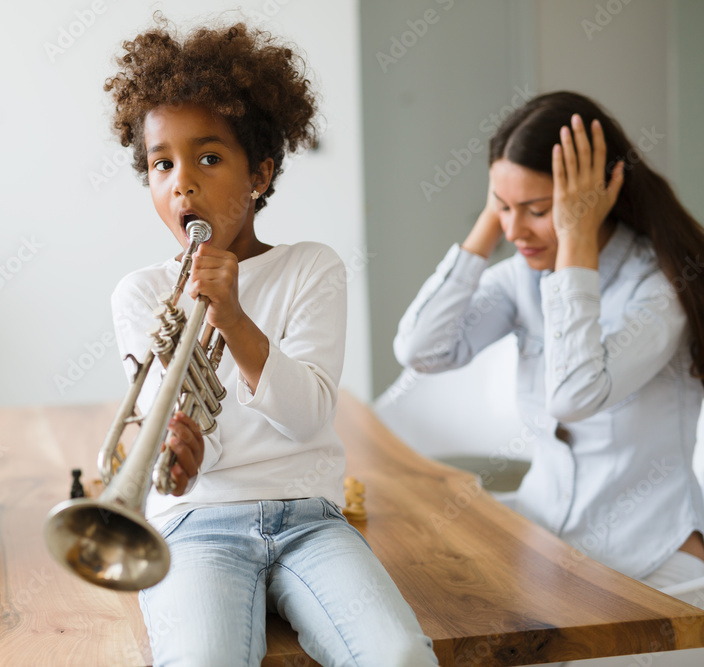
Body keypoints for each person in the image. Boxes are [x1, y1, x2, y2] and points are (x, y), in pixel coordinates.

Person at [107, 17, 439, 666]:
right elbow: (162, 425)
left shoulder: (312, 268)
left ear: (259, 173)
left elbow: (308, 414)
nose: (183, 182)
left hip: (308, 516)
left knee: (400, 654)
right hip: (197, 523)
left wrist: (232, 315)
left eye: (208, 157)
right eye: (161, 163)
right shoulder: (141, 293)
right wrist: (181, 460)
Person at [394, 91, 704, 600]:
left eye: (536, 210)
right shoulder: (523, 276)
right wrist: (493, 221)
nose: (515, 231)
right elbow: (420, 349)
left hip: (649, 559)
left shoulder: (659, 287)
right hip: (545, 539)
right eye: (502, 208)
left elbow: (574, 397)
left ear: (600, 196)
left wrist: (575, 238)